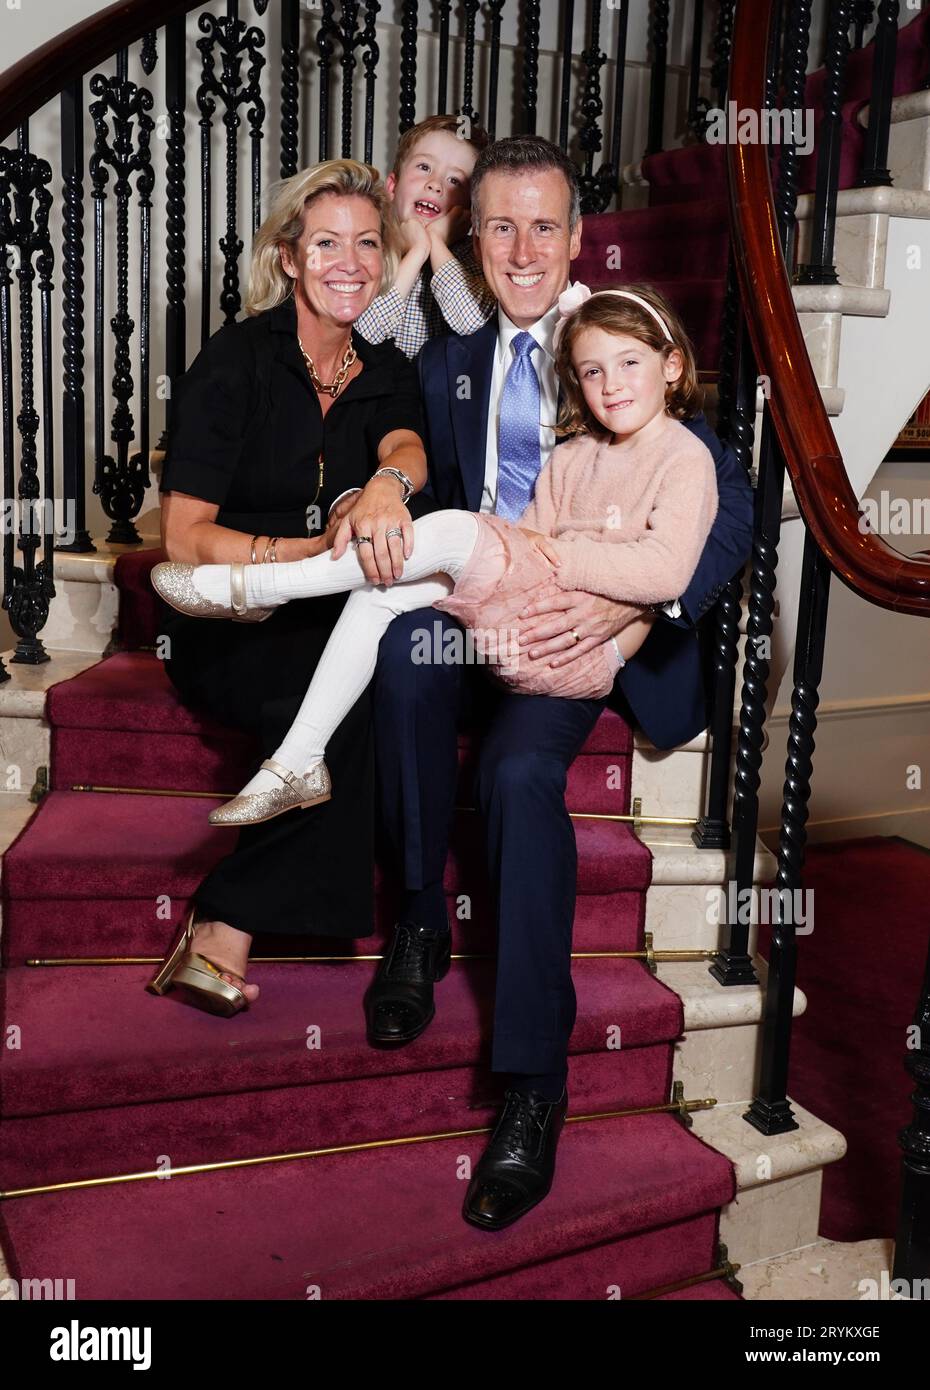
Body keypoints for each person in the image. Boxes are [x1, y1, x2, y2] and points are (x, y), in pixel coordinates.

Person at [367, 135, 755, 1231]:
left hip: (590, 636)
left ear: (579, 236)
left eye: (546, 224)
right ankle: (415, 921)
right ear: (470, 238)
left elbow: (720, 509)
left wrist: (634, 614)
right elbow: (429, 490)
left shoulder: (618, 348)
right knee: (403, 657)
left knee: (520, 776)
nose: (524, 247)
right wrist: (388, 490)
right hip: (486, 609)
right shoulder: (446, 362)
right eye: (500, 225)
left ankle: (534, 1085)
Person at [148, 159, 427, 1018]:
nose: (350, 262)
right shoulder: (235, 362)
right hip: (230, 614)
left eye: (368, 244)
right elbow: (183, 537)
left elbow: (408, 446)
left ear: (384, 262)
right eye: (328, 243)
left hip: (329, 610)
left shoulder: (383, 366)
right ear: (292, 258)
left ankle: (225, 919)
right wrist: (305, 554)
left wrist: (388, 486)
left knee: (368, 669)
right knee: (339, 696)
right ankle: (229, 920)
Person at [354, 114, 495, 358]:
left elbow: (469, 321)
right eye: (424, 167)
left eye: (455, 180)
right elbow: (362, 336)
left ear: (471, 210)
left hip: (445, 394)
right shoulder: (369, 251)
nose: (436, 184)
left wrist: (436, 243)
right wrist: (418, 251)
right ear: (392, 187)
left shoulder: (474, 260)